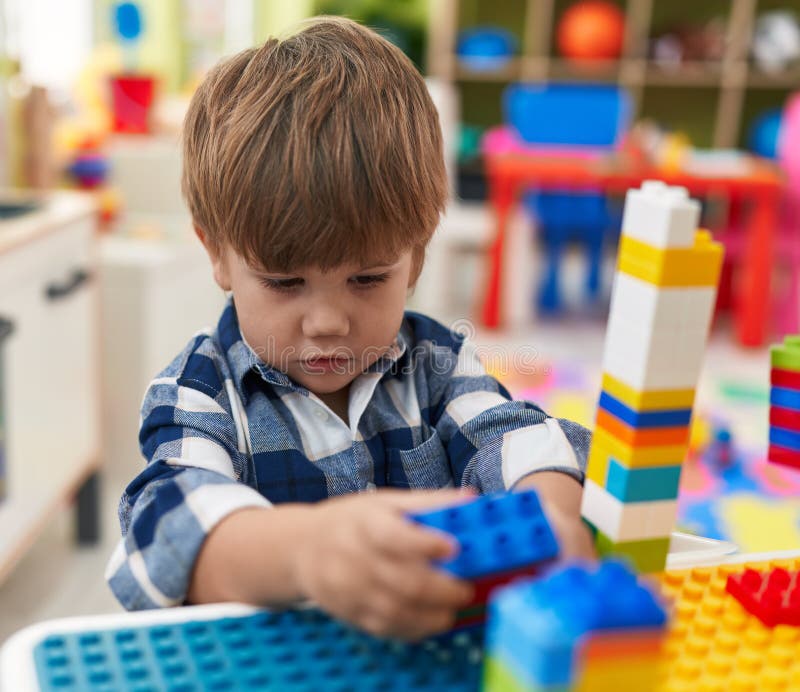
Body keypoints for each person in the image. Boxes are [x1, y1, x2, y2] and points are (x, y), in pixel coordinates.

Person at [106, 16, 593, 641]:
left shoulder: (437, 365)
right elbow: (167, 532)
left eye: (367, 280)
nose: (328, 322)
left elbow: (515, 437)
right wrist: (308, 552)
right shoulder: (199, 393)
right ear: (218, 253)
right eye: (285, 283)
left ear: (415, 256)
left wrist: (549, 516)